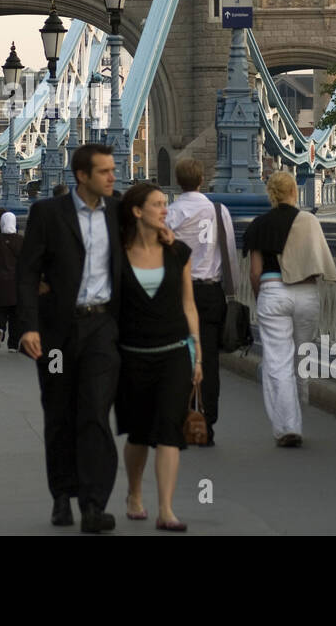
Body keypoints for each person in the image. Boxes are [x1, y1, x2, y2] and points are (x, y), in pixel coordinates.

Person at [17, 144, 125, 534]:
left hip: (100, 329)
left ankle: (93, 504)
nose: (113, 177)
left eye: (113, 170)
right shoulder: (48, 214)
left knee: (96, 413)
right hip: (58, 334)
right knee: (59, 412)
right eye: (105, 172)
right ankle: (62, 495)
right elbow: (28, 274)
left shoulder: (119, 212)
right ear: (82, 176)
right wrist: (28, 327)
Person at [115, 182, 201, 531]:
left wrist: (198, 356)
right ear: (137, 211)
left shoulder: (178, 252)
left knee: (169, 431)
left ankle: (166, 509)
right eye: (157, 204)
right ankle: (134, 493)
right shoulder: (116, 256)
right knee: (138, 434)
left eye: (166, 203)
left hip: (174, 354)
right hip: (131, 356)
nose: (165, 210)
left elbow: (188, 305)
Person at [243, 172, 336, 447]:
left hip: (273, 292)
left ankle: (288, 425)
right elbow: (318, 261)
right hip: (306, 293)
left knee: (278, 362)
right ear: (294, 193)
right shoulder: (308, 221)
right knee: (300, 356)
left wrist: (260, 298)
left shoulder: (259, 225)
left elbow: (255, 273)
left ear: (270, 194)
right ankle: (299, 405)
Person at [165, 159, 237, 447]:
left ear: (178, 180)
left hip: (178, 294)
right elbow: (230, 254)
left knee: (179, 359)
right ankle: (207, 422)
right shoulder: (219, 211)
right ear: (202, 178)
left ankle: (182, 419)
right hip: (210, 294)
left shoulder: (171, 213)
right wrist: (232, 293)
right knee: (208, 360)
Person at [0, 210, 24, 351]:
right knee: (15, 315)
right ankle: (13, 344)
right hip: (16, 282)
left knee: (0, 311)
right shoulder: (21, 241)